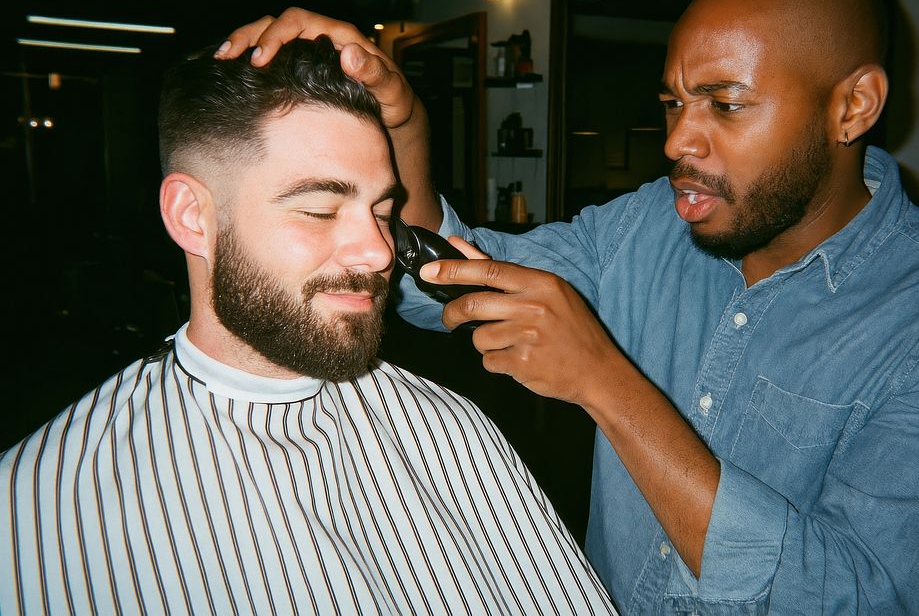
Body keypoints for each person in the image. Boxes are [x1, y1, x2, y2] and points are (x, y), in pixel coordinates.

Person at [219, 0, 919, 613]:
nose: (677, 141)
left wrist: (605, 381)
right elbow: (446, 286)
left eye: (725, 104)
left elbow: (860, 596)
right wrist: (405, 125)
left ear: (853, 106)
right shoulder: (648, 225)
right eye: (673, 102)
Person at [0, 37, 616, 614]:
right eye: (320, 210)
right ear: (192, 218)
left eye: (382, 209)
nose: (378, 252)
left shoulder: (452, 425)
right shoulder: (38, 503)